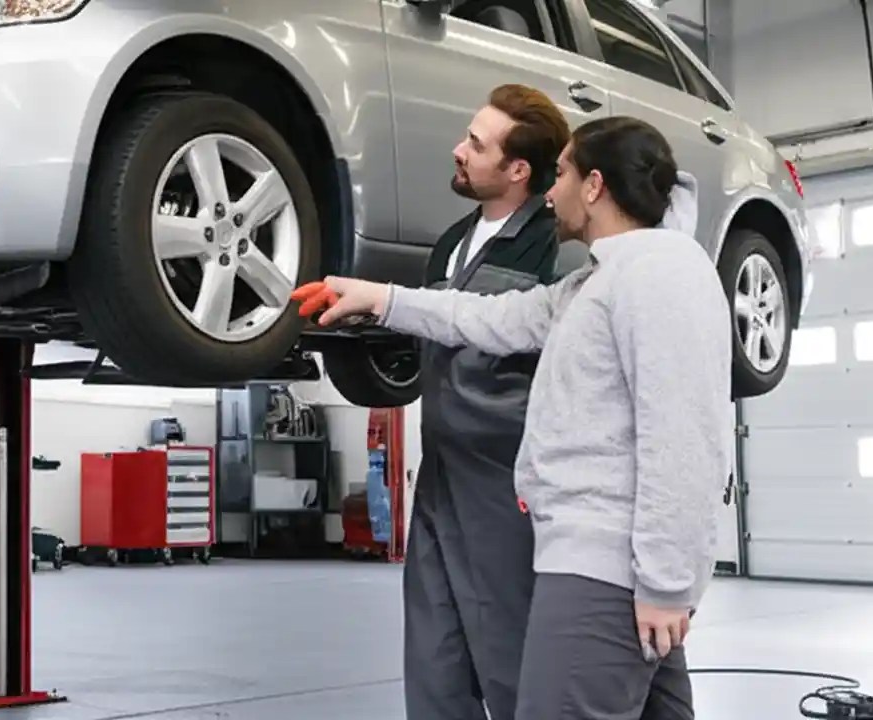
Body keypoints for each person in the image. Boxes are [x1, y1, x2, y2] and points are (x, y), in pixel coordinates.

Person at [295, 116, 730, 720]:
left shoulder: (661, 274)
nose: (550, 192)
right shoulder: (594, 284)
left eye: (563, 174)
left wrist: (665, 583)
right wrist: (379, 298)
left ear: (595, 185)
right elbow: (487, 318)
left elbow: (685, 439)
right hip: (599, 563)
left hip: (608, 573)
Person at [401, 83, 570, 720]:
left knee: (511, 656)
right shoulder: (451, 243)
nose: (459, 151)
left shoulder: (554, 246)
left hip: (506, 483)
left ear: (518, 169)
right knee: (434, 657)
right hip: (440, 472)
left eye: (476, 144)